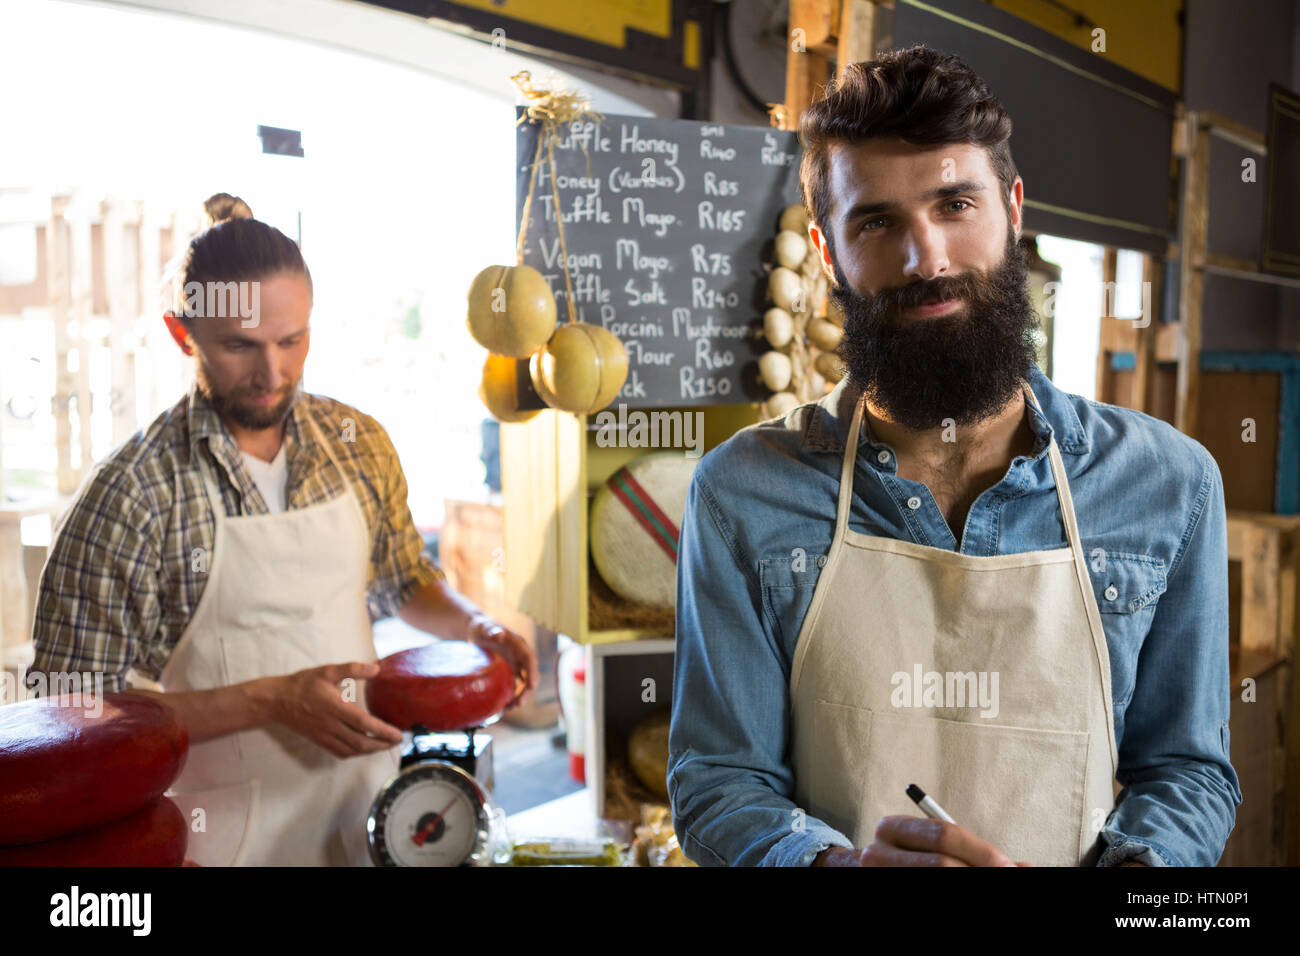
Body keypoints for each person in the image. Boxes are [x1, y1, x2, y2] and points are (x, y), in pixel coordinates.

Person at [668, 46, 1241, 867]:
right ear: (828, 254)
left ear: (1012, 209)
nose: (926, 259)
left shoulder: (1170, 485)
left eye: (954, 205)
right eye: (877, 222)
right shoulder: (740, 495)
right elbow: (720, 779)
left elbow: (1187, 770)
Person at [30, 194, 538, 866]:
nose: (272, 374)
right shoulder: (129, 496)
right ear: (182, 333)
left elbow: (402, 578)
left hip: (370, 820)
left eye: (290, 341)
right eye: (240, 346)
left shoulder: (357, 445)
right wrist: (271, 700)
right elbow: (74, 718)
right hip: (218, 839)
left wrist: (478, 626)